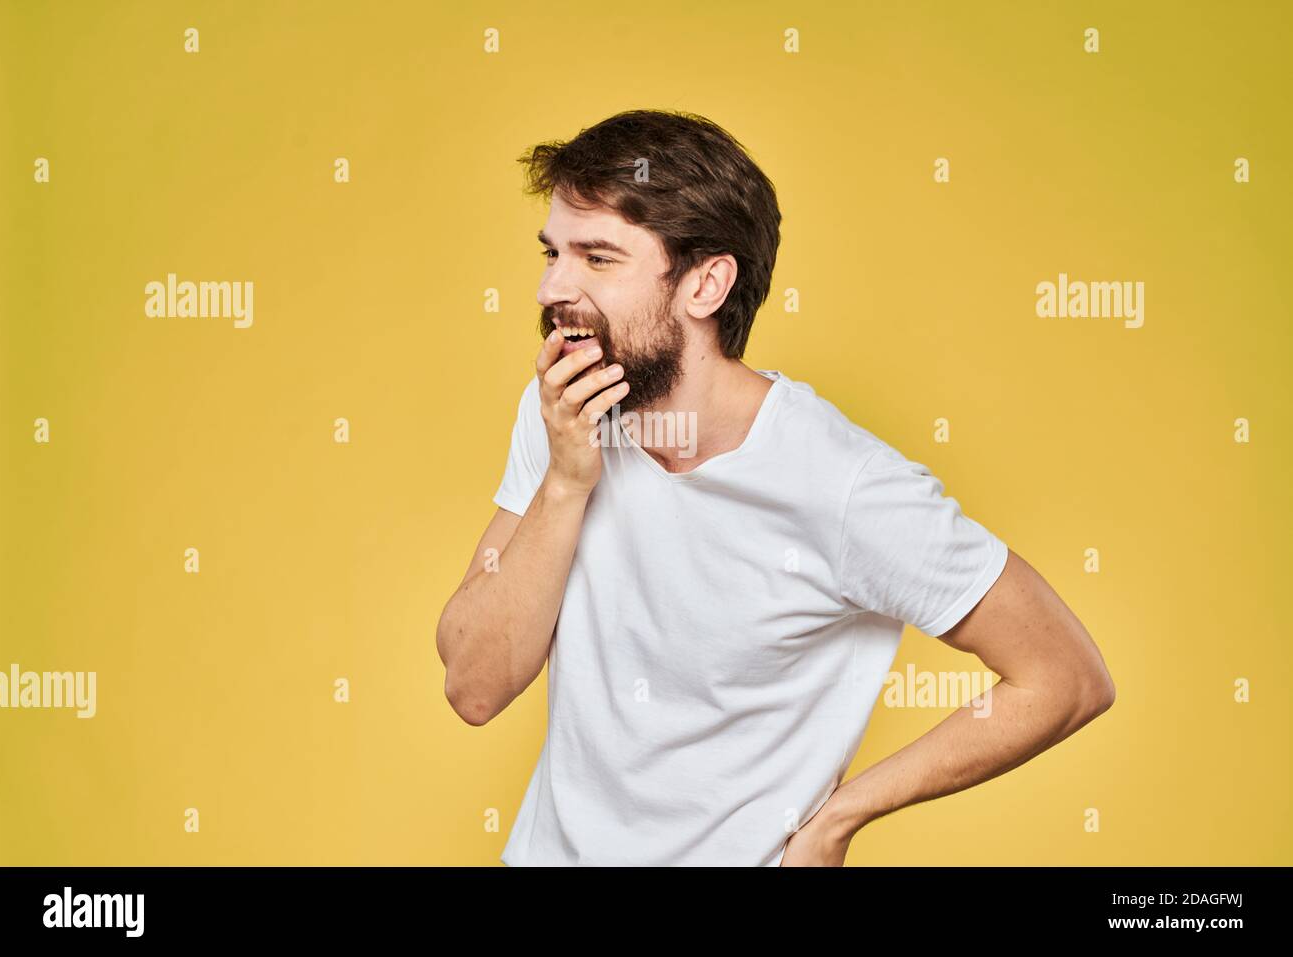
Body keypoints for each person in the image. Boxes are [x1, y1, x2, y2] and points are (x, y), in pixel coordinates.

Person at [435, 109, 1115, 866]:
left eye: (597, 258)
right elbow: (474, 685)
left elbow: (1065, 677)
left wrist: (840, 816)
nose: (552, 287)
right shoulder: (567, 412)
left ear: (706, 283)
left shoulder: (843, 483)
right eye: (552, 252)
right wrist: (565, 481)